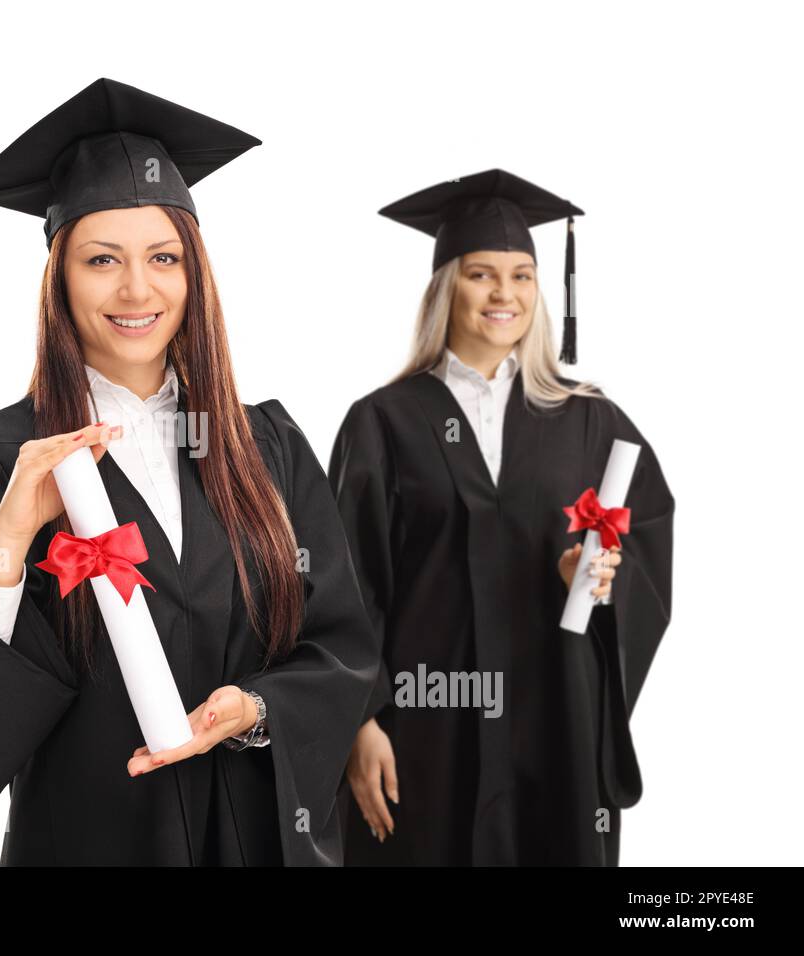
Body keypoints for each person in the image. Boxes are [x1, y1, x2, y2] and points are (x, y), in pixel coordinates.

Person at [0, 78, 382, 866]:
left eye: (163, 257)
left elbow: (342, 651)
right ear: (58, 277)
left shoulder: (268, 449)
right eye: (101, 260)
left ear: (193, 275)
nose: (137, 289)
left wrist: (255, 708)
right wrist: (5, 548)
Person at [332, 169, 675, 866]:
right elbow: (343, 584)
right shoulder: (383, 421)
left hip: (556, 720)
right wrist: (358, 722)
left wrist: (600, 577)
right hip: (426, 727)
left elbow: (645, 539)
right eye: (481, 274)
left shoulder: (589, 418)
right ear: (445, 289)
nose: (504, 295)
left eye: (522, 276)